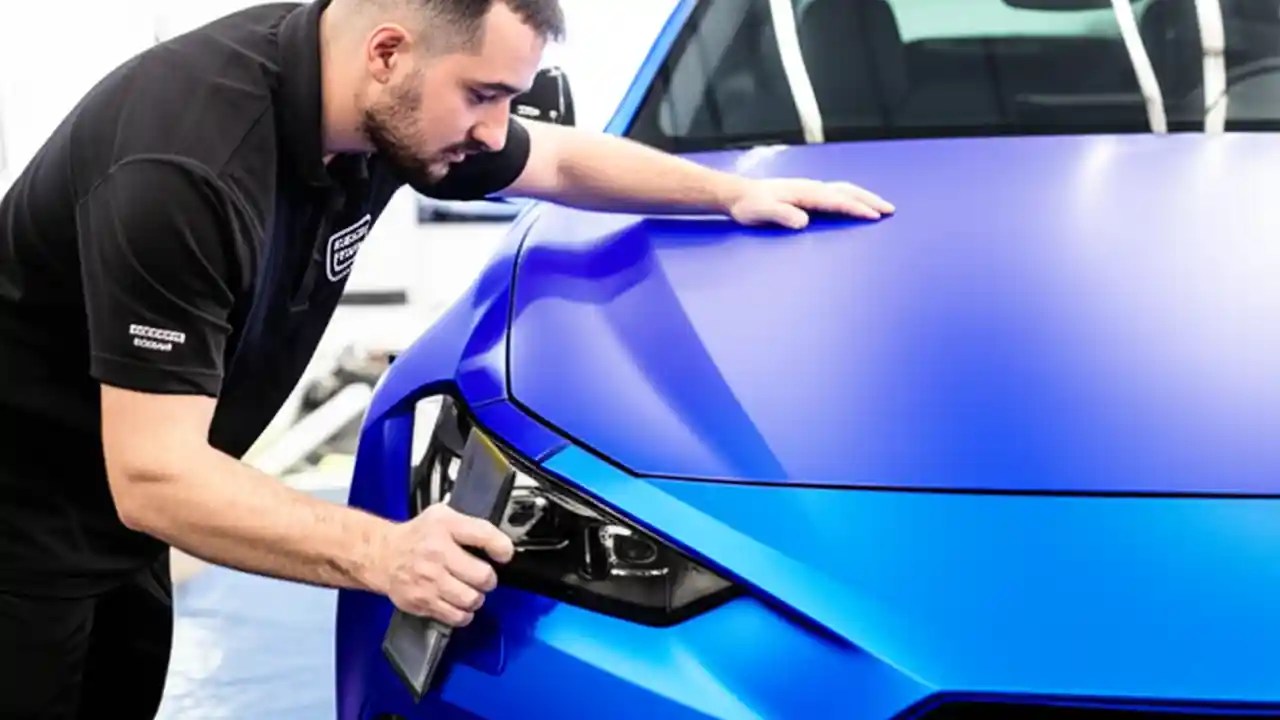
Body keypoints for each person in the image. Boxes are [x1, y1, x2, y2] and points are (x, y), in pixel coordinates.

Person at [0, 0, 895, 716]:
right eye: (485, 95)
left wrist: (736, 192)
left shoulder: (388, 112)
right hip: (28, 523)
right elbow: (154, 475)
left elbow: (559, 162)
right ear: (388, 53)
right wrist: (386, 554)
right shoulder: (186, 169)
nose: (496, 126)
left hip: (119, 530)